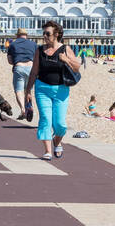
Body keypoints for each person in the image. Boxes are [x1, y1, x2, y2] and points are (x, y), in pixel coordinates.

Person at [24, 20, 81, 159]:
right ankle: (48, 151)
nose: (44, 36)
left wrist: (65, 59)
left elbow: (77, 66)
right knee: (45, 119)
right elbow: (34, 71)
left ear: (56, 34)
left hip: (61, 90)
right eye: (43, 33)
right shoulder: (40, 50)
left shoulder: (65, 49)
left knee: (60, 124)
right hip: (42, 88)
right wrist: (28, 90)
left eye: (47, 33)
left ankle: (57, 141)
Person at [6, 27, 38, 121]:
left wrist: (16, 61)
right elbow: (37, 58)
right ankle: (29, 107)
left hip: (19, 67)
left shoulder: (12, 44)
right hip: (31, 68)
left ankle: (23, 110)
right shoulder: (33, 44)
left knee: (18, 90)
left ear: (17, 35)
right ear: (26, 35)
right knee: (28, 90)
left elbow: (10, 60)